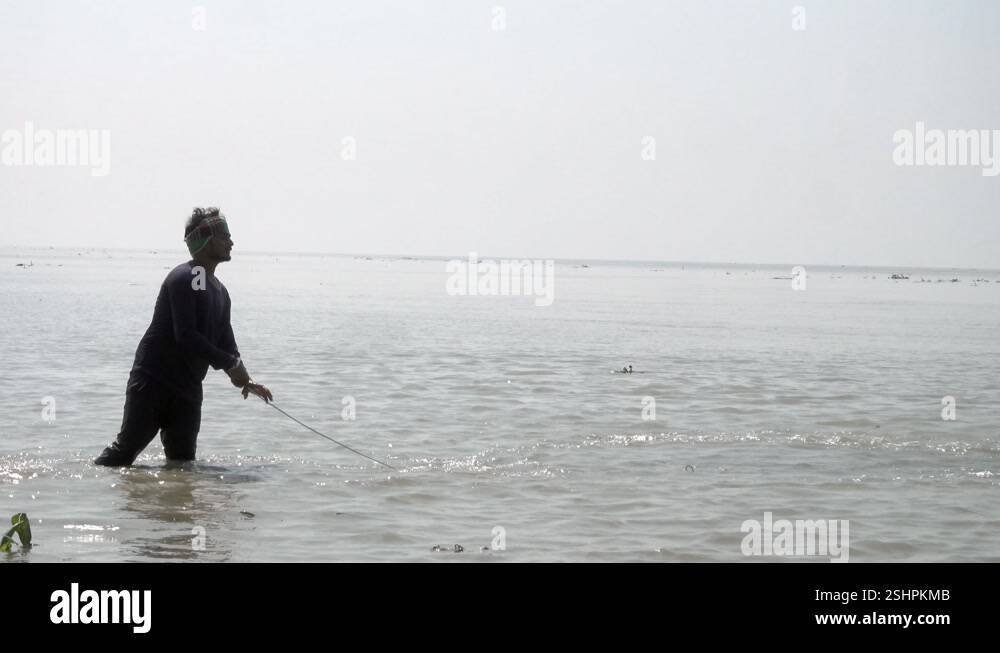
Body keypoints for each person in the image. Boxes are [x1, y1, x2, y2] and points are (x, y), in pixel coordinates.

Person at [94, 207, 273, 467]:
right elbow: (186, 335)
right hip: (153, 382)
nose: (231, 241)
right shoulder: (185, 277)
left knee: (182, 467)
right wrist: (230, 365)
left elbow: (225, 341)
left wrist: (246, 378)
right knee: (123, 454)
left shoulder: (220, 292)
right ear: (205, 239)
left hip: (188, 390)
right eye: (224, 235)